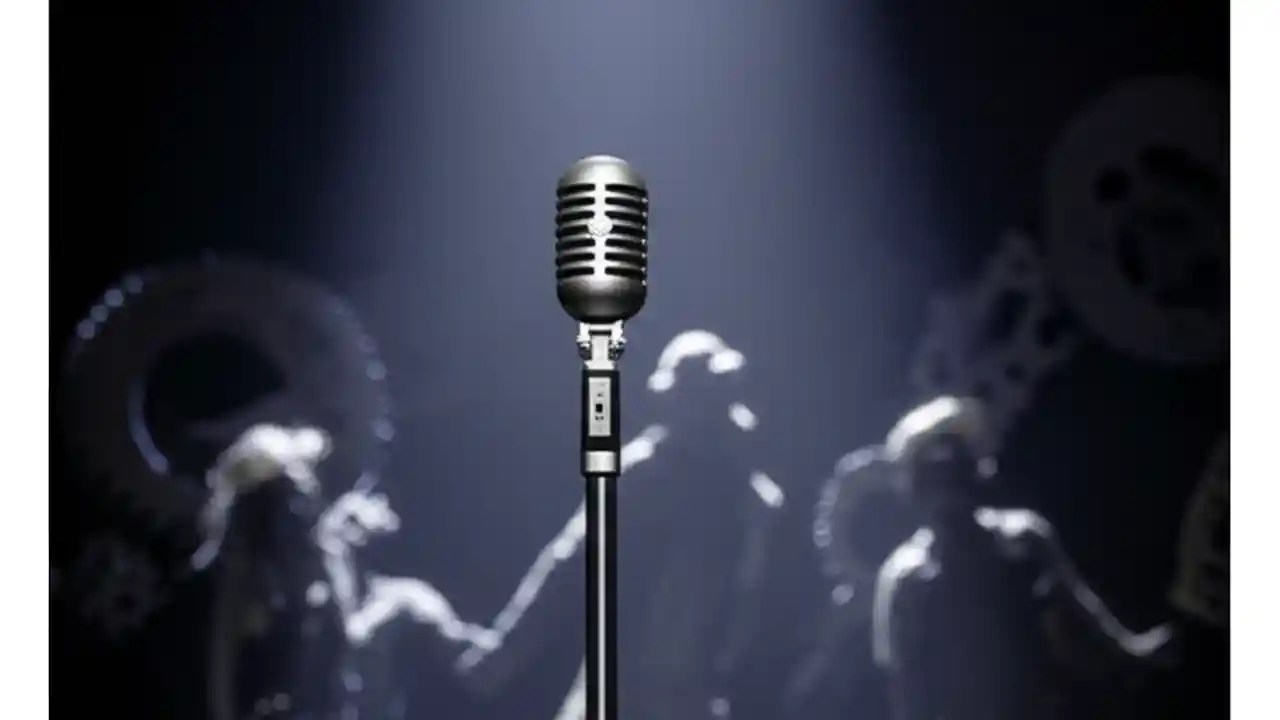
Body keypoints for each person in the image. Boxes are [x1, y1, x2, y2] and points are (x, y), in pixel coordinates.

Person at [871, 396, 1172, 720]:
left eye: (956, 470)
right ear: (917, 487)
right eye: (934, 476)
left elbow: (1082, 611)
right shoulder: (907, 578)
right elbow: (904, 682)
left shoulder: (1023, 538)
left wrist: (1133, 651)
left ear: (976, 470)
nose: (949, 490)